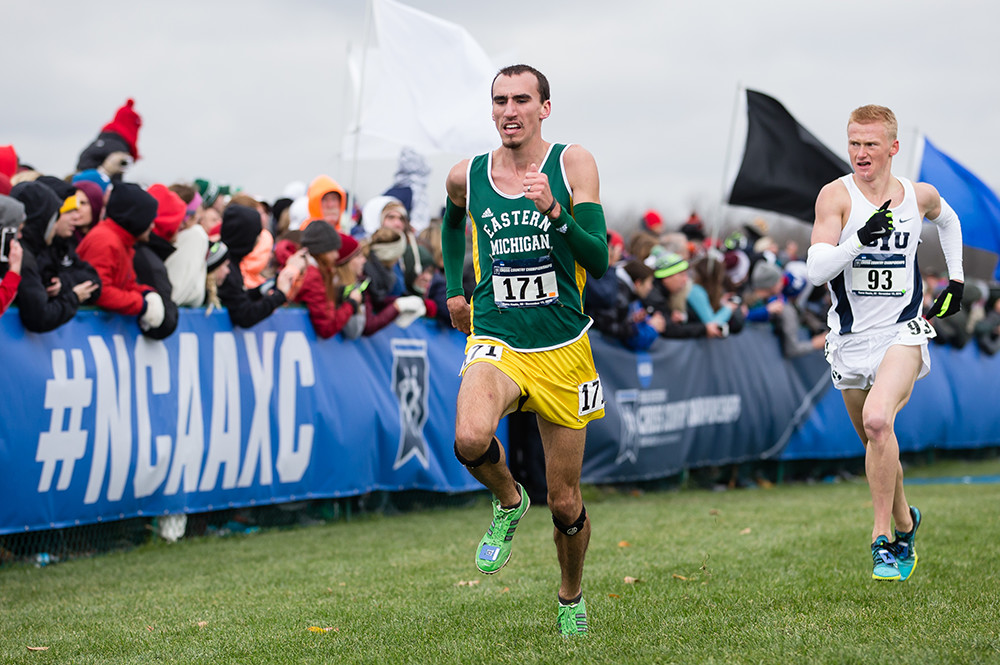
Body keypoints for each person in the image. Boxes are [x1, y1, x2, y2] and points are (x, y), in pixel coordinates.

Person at [441, 64, 608, 637]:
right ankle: (510, 499)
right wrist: (452, 290)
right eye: (499, 100)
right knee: (468, 437)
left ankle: (570, 593)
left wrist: (556, 215)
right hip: (497, 335)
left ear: (544, 108)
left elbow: (601, 261)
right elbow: (450, 219)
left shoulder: (571, 163)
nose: (509, 110)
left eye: (521, 100)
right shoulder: (470, 173)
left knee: (564, 502)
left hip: (563, 344)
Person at [806, 104, 965, 582]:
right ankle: (904, 519)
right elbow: (816, 272)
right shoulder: (835, 197)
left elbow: (949, 221)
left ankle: (882, 541)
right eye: (854, 143)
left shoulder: (919, 195)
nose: (860, 153)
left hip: (902, 332)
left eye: (870, 144)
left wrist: (955, 280)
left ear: (892, 147)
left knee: (878, 420)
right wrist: (857, 240)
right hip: (849, 339)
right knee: (877, 441)